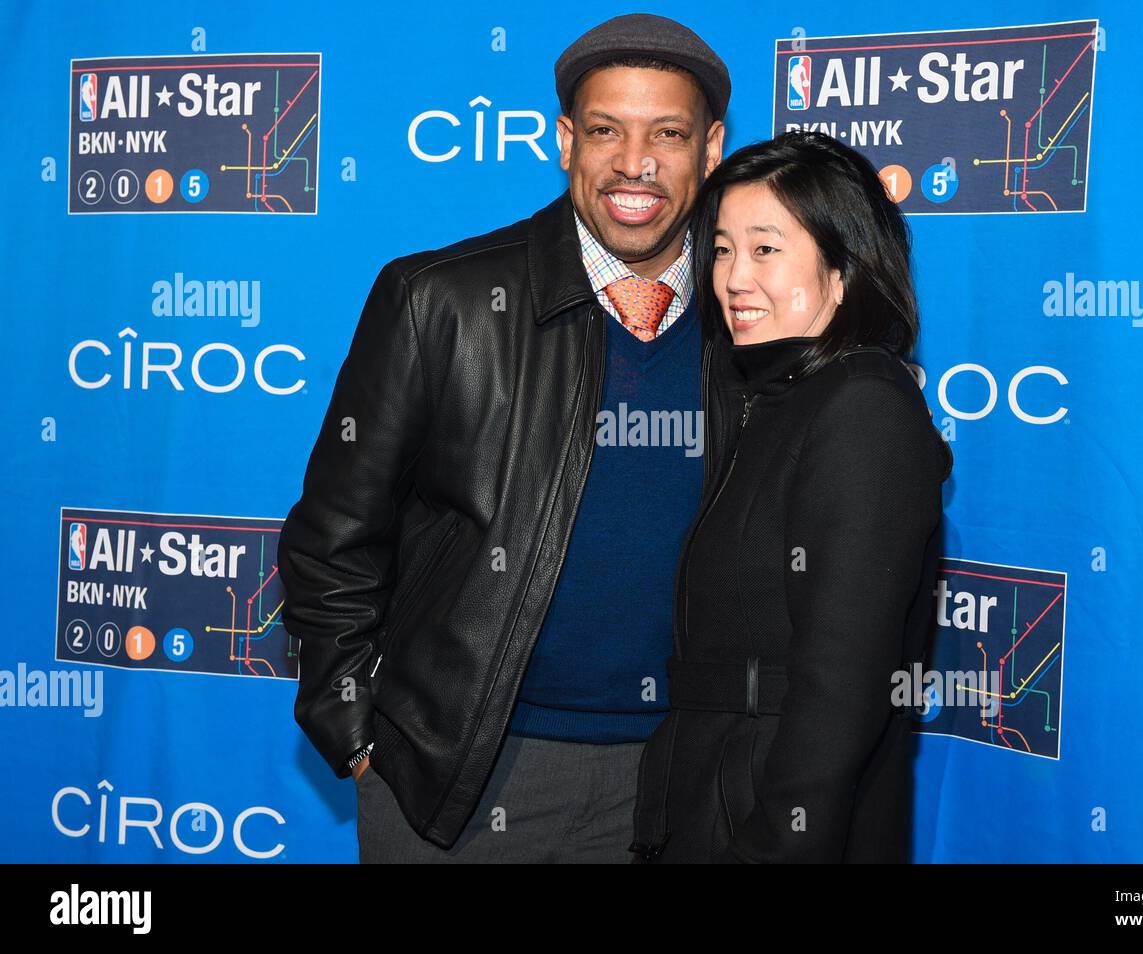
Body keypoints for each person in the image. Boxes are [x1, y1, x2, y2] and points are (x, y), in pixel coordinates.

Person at [276, 13, 727, 862]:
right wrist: (358, 730)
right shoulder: (439, 300)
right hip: (464, 772)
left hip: (679, 777)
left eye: (668, 133)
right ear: (564, 141)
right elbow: (334, 533)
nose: (637, 164)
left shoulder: (749, 322)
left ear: (710, 149)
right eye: (606, 131)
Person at [628, 130, 954, 863]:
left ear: (844, 270)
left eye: (766, 249)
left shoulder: (861, 408)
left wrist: (776, 845)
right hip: (710, 801)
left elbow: (841, 686)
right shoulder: (770, 401)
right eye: (720, 249)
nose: (734, 277)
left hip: (769, 825)